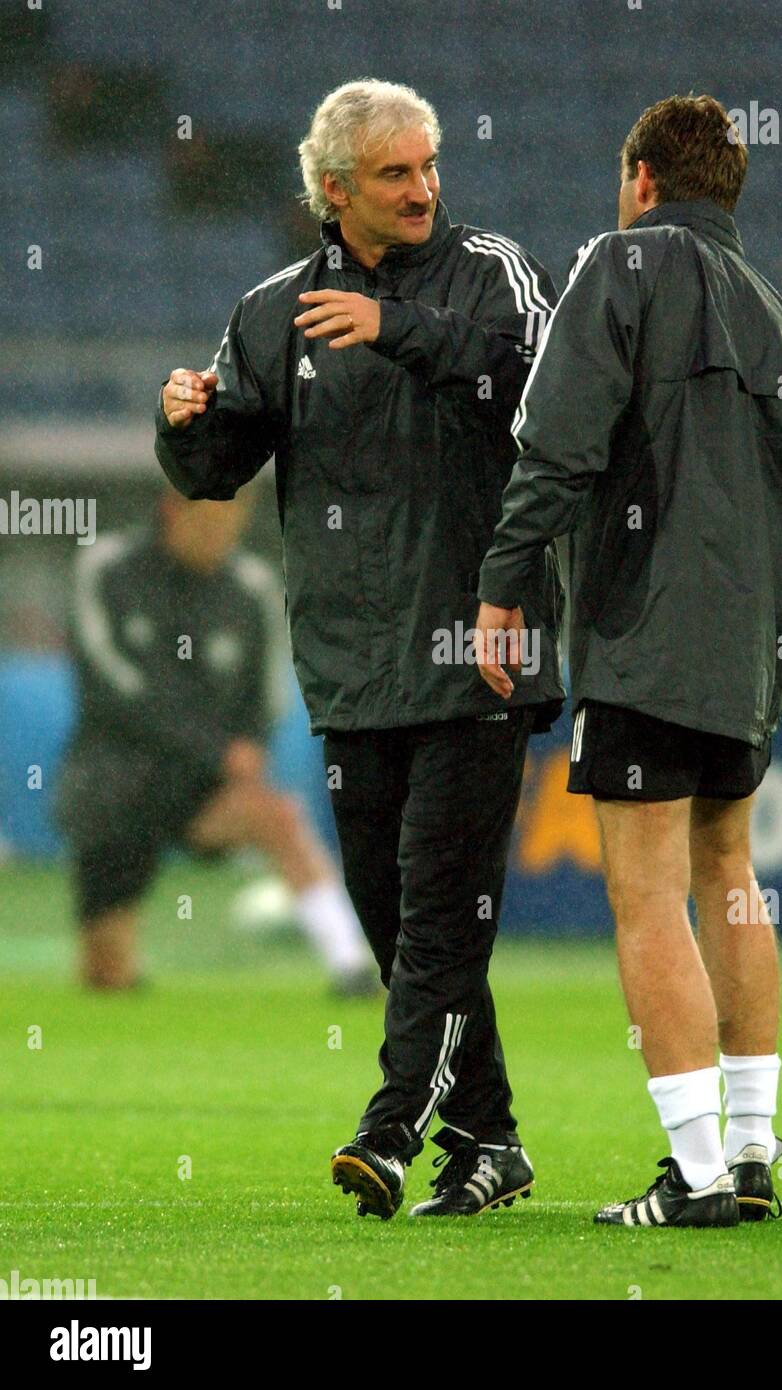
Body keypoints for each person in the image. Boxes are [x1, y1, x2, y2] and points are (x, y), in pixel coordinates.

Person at [155, 80, 564, 1219]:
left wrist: (405, 330)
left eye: (428, 164)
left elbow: (545, 398)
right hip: (348, 659)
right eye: (395, 173)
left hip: (479, 646)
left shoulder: (492, 273)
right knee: (395, 920)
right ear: (334, 191)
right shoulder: (273, 309)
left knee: (436, 910)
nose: (424, 186)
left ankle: (390, 1131)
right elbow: (217, 469)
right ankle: (491, 1141)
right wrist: (184, 424)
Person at [476, 94, 782, 1227]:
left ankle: (696, 1174)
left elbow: (557, 438)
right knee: (729, 873)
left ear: (638, 176)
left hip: (647, 632)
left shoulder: (616, 267)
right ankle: (756, 1148)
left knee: (644, 894)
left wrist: (501, 585)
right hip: (752, 638)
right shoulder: (780, 316)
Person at [58, 486, 375, 994]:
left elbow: (266, 691)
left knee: (277, 818)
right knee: (107, 976)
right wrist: (213, 746)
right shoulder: (107, 570)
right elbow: (112, 689)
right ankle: (114, 964)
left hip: (201, 788)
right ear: (170, 511)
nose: (221, 535)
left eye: (233, 521)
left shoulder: (251, 589)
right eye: (208, 521)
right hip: (114, 784)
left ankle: (352, 966)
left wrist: (251, 742)